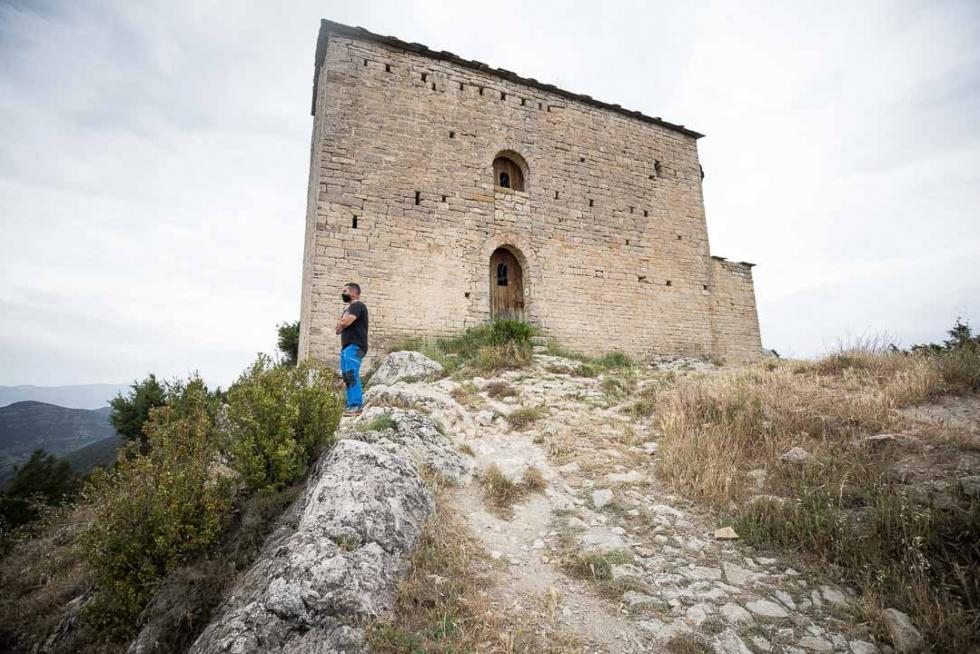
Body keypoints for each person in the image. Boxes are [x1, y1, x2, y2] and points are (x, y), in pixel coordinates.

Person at [335, 282, 368, 416]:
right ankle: (350, 406)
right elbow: (337, 330)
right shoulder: (347, 310)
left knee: (352, 374)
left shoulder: (358, 306)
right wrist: (342, 322)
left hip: (356, 346)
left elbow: (345, 323)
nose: (343, 294)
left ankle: (356, 406)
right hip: (346, 347)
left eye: (345, 291)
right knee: (346, 376)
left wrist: (342, 322)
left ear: (354, 292)